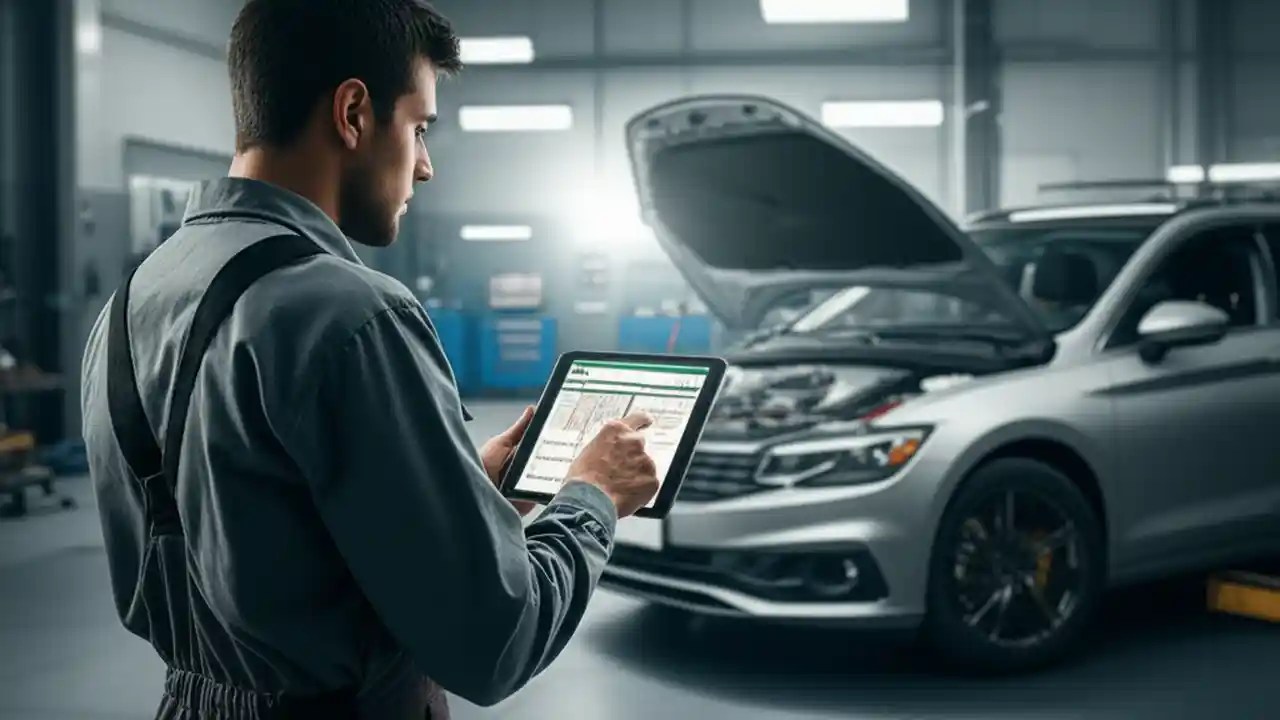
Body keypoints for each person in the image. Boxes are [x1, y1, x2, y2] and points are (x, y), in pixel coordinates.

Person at [78, 1, 660, 718]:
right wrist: (592, 496)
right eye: (419, 128)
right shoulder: (354, 314)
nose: (426, 166)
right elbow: (495, 641)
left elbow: (260, 533)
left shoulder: (130, 303)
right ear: (353, 113)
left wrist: (464, 491)